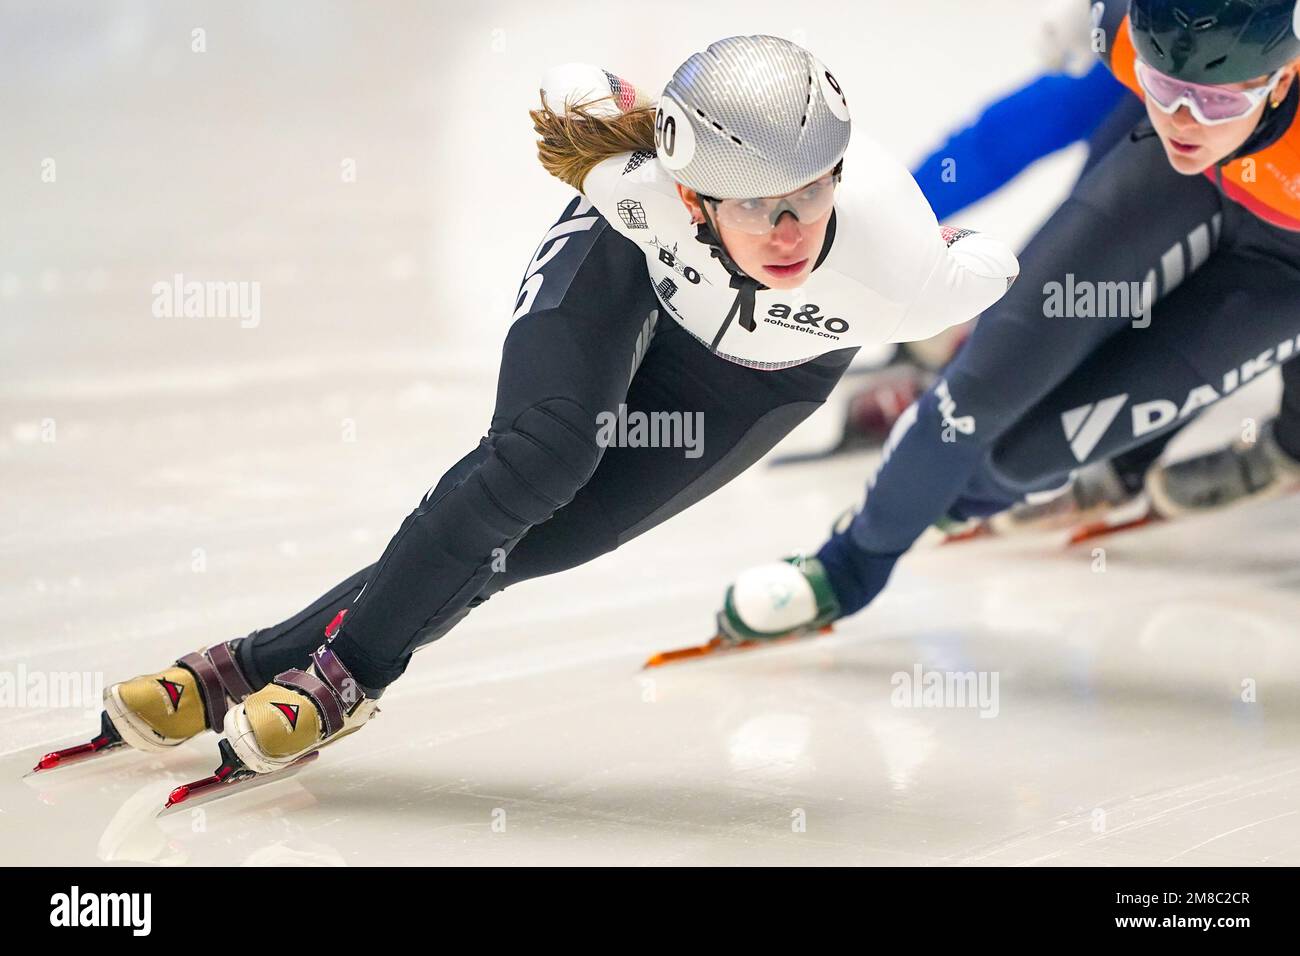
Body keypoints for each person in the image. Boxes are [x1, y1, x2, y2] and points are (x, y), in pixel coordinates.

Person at [40, 36, 1017, 779]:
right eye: (757, 203)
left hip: (759, 371)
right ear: (689, 195)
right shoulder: (632, 189)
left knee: (528, 546)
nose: (792, 227)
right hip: (624, 272)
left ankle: (249, 665)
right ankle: (351, 676)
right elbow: (586, 96)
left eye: (810, 190)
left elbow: (999, 260)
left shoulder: (898, 267)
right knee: (540, 457)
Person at [719, 0, 1300, 642]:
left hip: (1285, 272)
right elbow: (1012, 132)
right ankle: (849, 565)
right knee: (982, 386)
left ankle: (963, 501)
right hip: (1173, 178)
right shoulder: (1126, 42)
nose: (1185, 119)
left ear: (1281, 76)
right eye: (1163, 88)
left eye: (1217, 103)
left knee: (1028, 459)